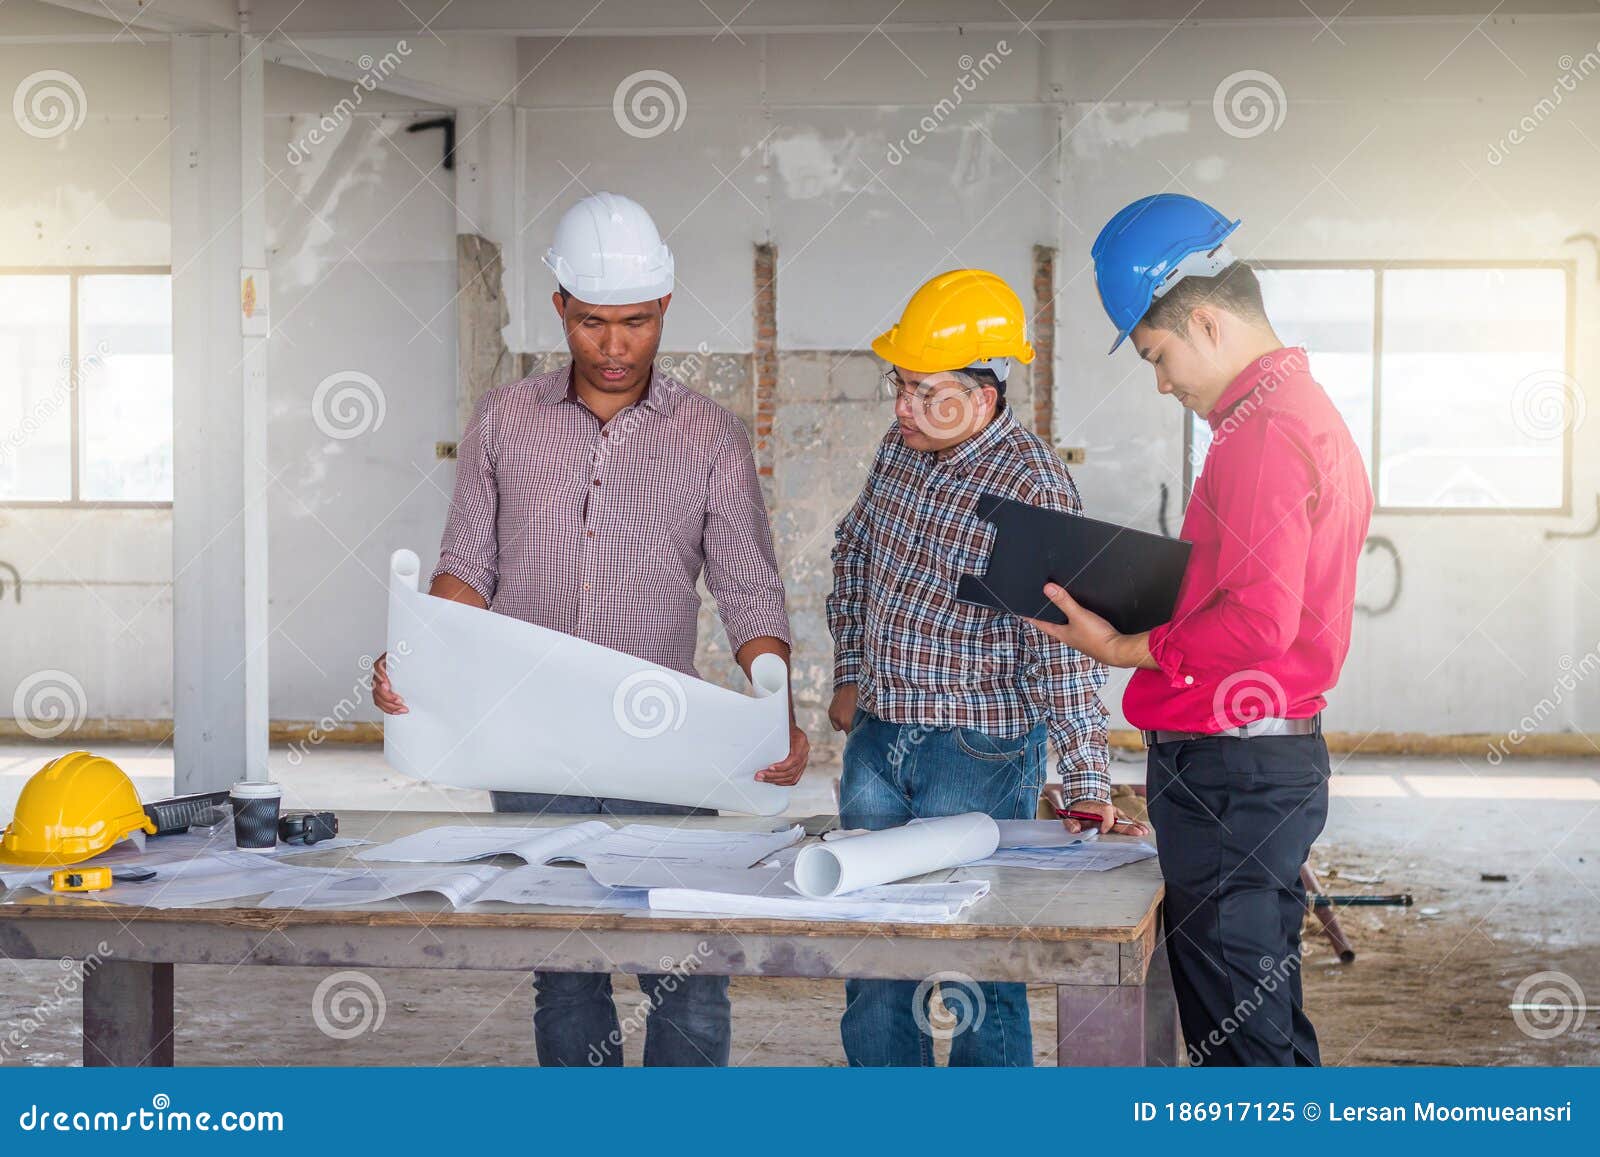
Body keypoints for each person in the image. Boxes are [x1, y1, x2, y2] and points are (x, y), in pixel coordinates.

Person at [371, 191, 809, 1067]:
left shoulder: (712, 436)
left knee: (685, 966)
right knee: (566, 965)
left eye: (637, 323)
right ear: (561, 306)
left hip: (663, 736)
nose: (615, 348)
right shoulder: (504, 419)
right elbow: (468, 569)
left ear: (666, 307)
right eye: (593, 323)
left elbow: (747, 587)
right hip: (532, 739)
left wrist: (777, 709)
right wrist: (416, 656)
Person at [1028, 194, 1373, 1066]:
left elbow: (1258, 621)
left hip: (1229, 773)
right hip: (1254, 768)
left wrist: (1120, 648)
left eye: (1158, 355)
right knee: (1259, 1025)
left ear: (1208, 323)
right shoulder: (1304, 413)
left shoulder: (1262, 435)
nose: (1162, 382)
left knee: (1241, 1047)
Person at [826, 268, 1139, 1067]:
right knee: (872, 952)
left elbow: (1060, 642)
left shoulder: (1031, 485)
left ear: (983, 395)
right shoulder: (900, 450)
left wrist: (1087, 778)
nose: (902, 407)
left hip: (977, 753)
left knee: (976, 962)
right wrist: (850, 671)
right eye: (899, 385)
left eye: (923, 391)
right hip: (878, 740)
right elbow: (854, 550)